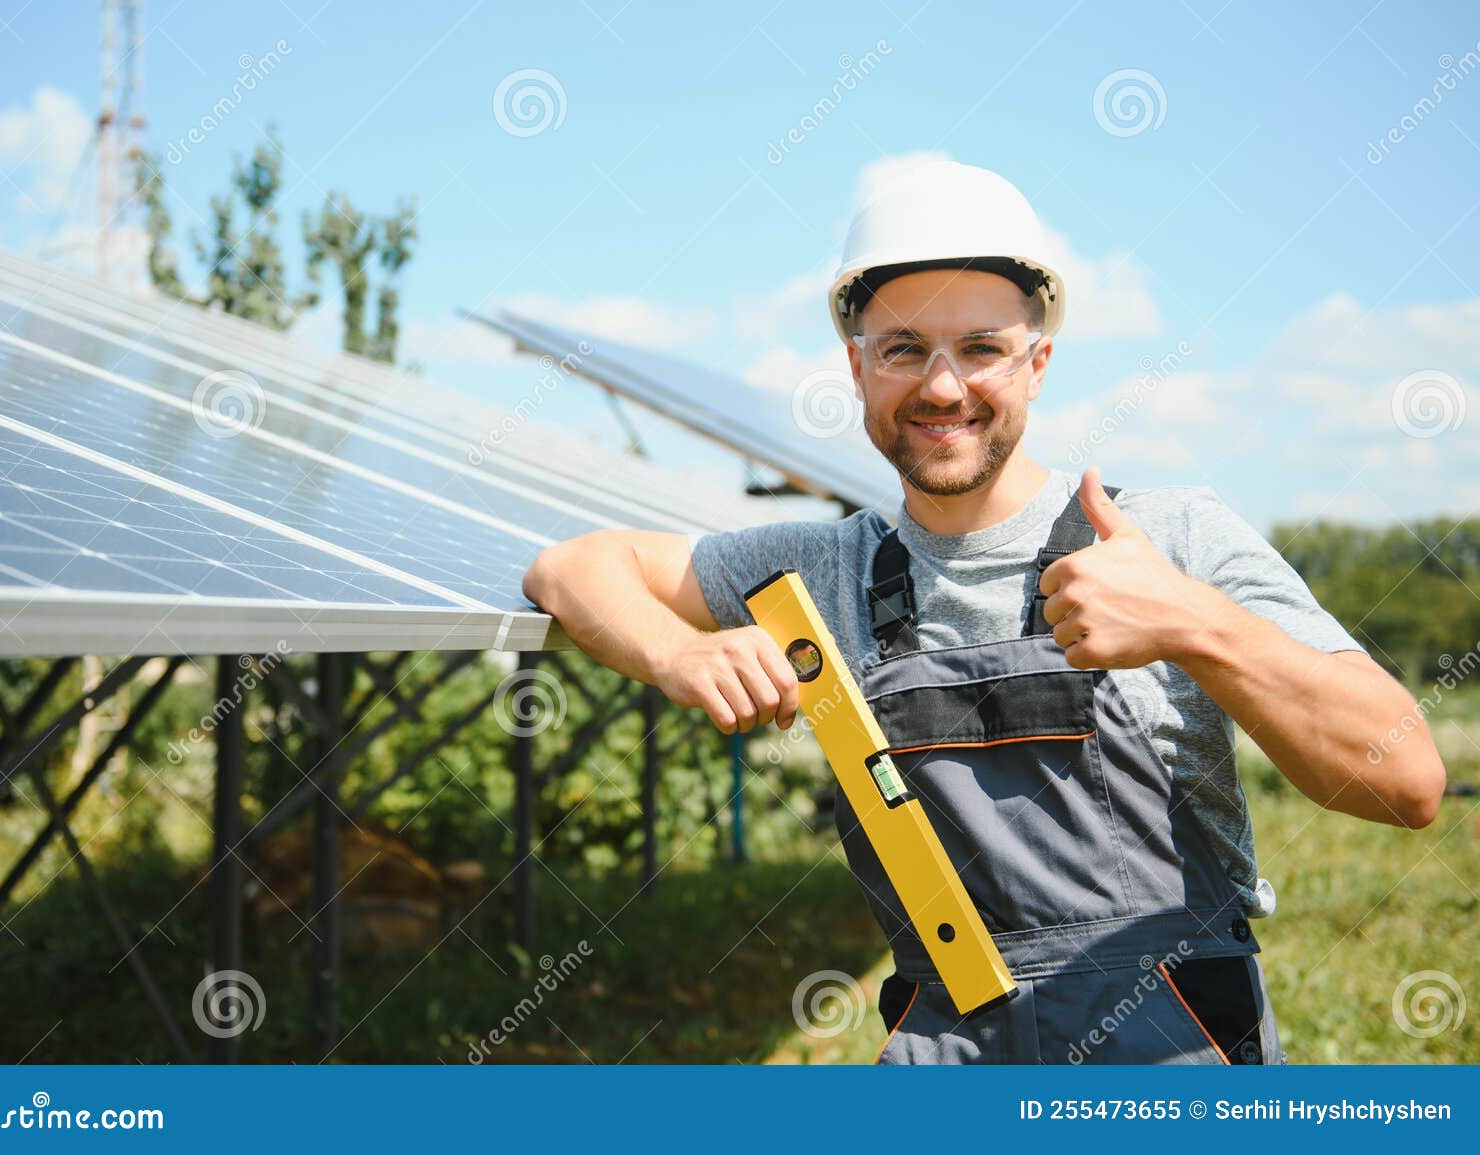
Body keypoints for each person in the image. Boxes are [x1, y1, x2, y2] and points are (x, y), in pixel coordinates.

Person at [522, 158, 1446, 1064]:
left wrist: (1193, 624)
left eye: (981, 349)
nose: (941, 387)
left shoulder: (1171, 537)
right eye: (903, 349)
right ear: (857, 369)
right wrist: (679, 656)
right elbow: (572, 568)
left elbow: (1406, 779)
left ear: (1038, 363)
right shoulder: (824, 569)